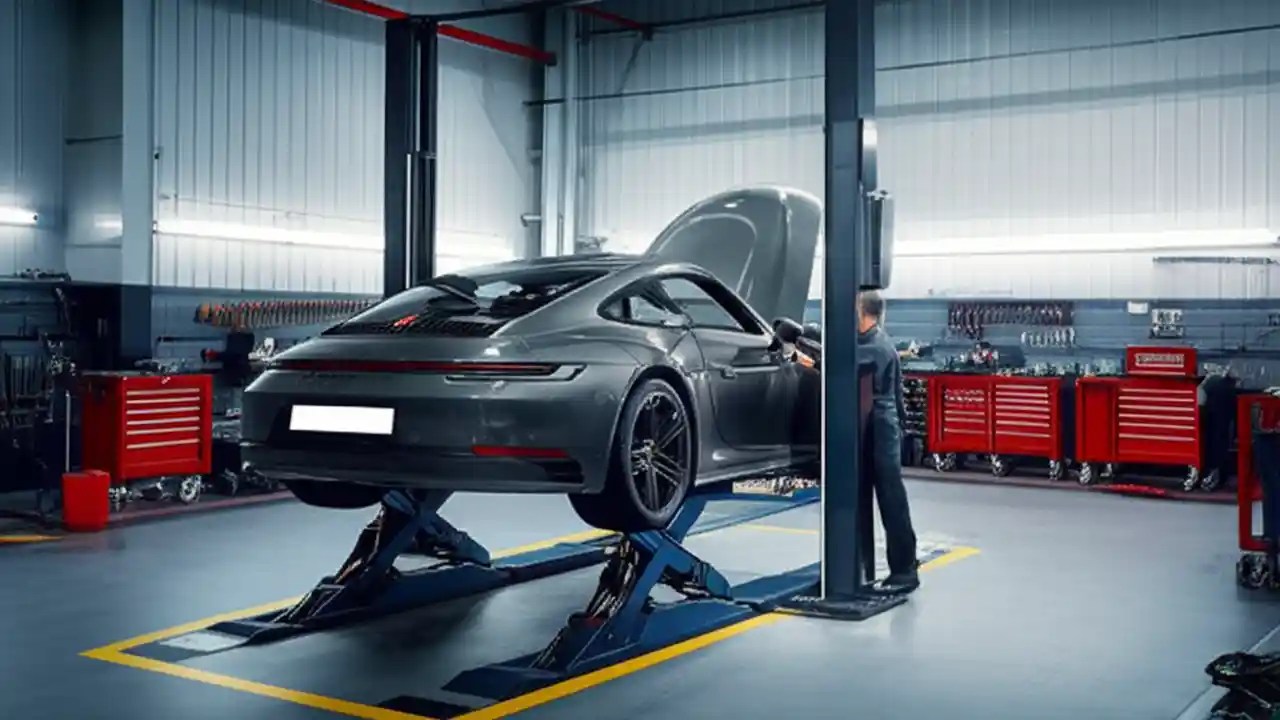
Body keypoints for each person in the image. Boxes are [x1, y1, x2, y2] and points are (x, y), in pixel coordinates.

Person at [857, 290, 920, 594]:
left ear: (862, 311)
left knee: (891, 499)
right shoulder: (872, 342)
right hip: (876, 425)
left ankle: (905, 570)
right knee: (882, 498)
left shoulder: (875, 347)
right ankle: (867, 567)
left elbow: (845, 367)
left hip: (880, 428)